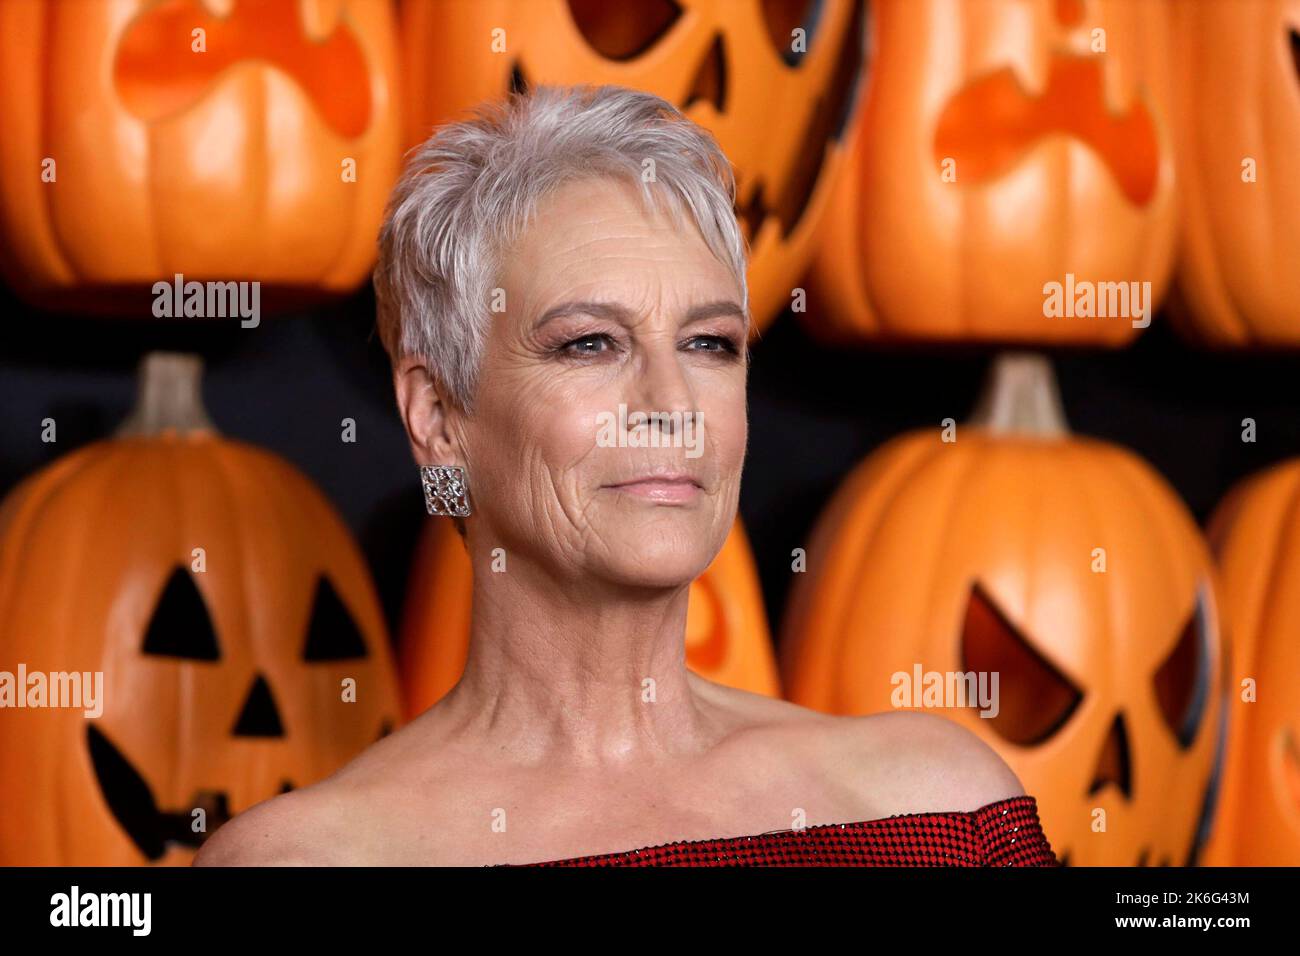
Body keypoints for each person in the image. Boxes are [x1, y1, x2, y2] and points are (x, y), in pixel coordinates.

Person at [193, 83, 1057, 867]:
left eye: (710, 344)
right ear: (439, 417)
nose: (669, 400)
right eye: (589, 344)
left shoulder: (940, 808)